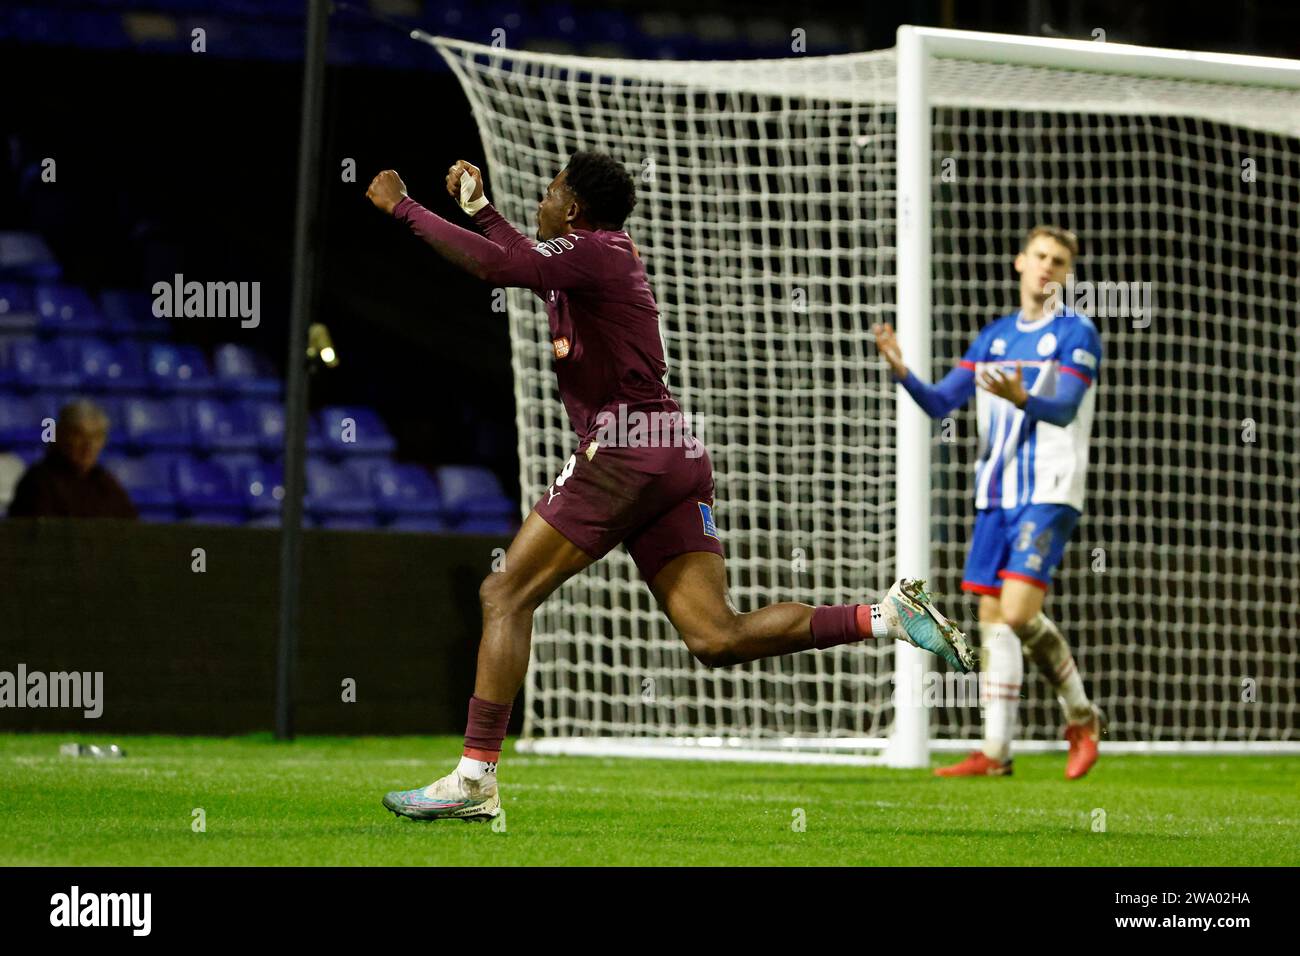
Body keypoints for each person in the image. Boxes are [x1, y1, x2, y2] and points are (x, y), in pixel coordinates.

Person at [365, 152, 974, 821]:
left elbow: (501, 266)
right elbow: (527, 262)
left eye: (549, 193)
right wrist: (481, 211)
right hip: (671, 454)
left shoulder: (593, 254)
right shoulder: (592, 258)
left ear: (572, 210)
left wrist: (405, 209)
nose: (540, 204)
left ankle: (474, 783)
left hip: (624, 450)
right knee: (717, 638)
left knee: (504, 592)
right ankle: (884, 616)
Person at [873, 225, 1104, 780]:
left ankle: (1081, 715)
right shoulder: (995, 337)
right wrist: (902, 370)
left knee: (1020, 610)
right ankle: (996, 751)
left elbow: (1067, 407)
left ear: (1066, 275)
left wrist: (1023, 396)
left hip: (1049, 488)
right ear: (1020, 262)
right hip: (996, 492)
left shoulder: (1076, 333)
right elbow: (941, 403)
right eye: (1040, 256)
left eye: (1060, 261)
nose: (1048, 267)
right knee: (992, 616)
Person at [8, 400, 137, 519]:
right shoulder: (38, 482)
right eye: (80, 435)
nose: (89, 445)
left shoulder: (106, 484)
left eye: (96, 436)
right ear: (61, 436)